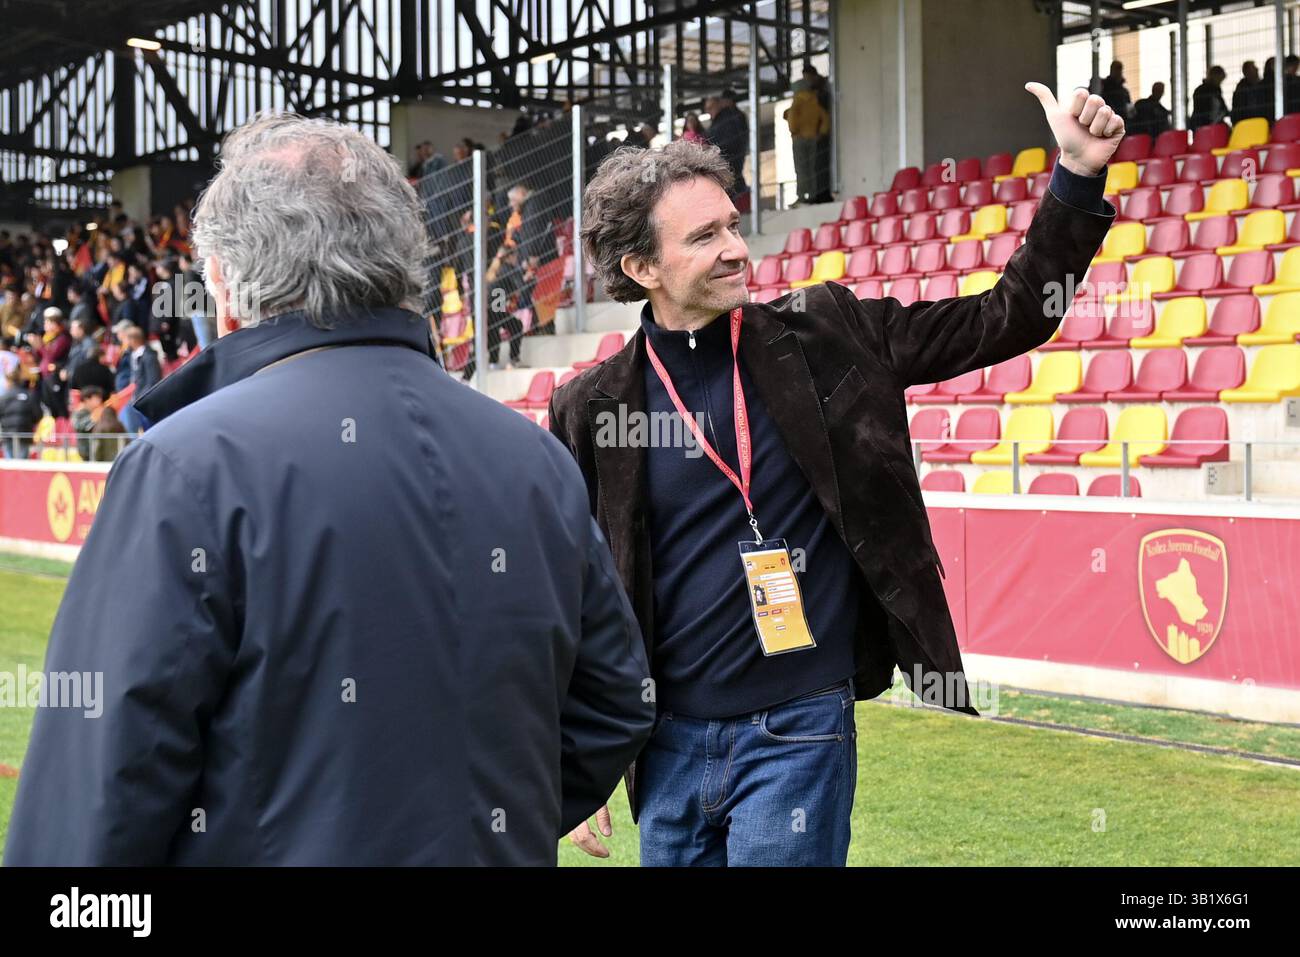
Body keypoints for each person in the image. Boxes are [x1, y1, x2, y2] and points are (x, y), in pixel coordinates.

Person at [4, 111, 653, 867]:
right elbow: (614, 701)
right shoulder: (534, 458)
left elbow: (96, 794)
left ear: (224, 281)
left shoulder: (184, 466)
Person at [548, 83, 1121, 867]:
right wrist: (569, 760)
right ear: (641, 265)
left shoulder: (827, 332)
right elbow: (573, 594)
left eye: (734, 226)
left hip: (799, 729)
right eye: (705, 236)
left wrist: (1078, 177)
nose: (735, 249)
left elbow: (1011, 314)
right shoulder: (591, 406)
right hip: (666, 746)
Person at [784, 68, 831, 206]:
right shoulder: (814, 100)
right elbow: (825, 118)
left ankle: (801, 196)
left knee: (800, 168)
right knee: (811, 168)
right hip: (813, 138)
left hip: (799, 138)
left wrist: (794, 131)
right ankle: (812, 194)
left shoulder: (797, 100)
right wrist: (821, 132)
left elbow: (792, 118)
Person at [0, 367, 41, 459]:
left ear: (9, 382)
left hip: (8, 434)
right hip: (24, 433)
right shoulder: (30, 395)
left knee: (10, 464)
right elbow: (38, 414)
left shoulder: (3, 397)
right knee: (22, 461)